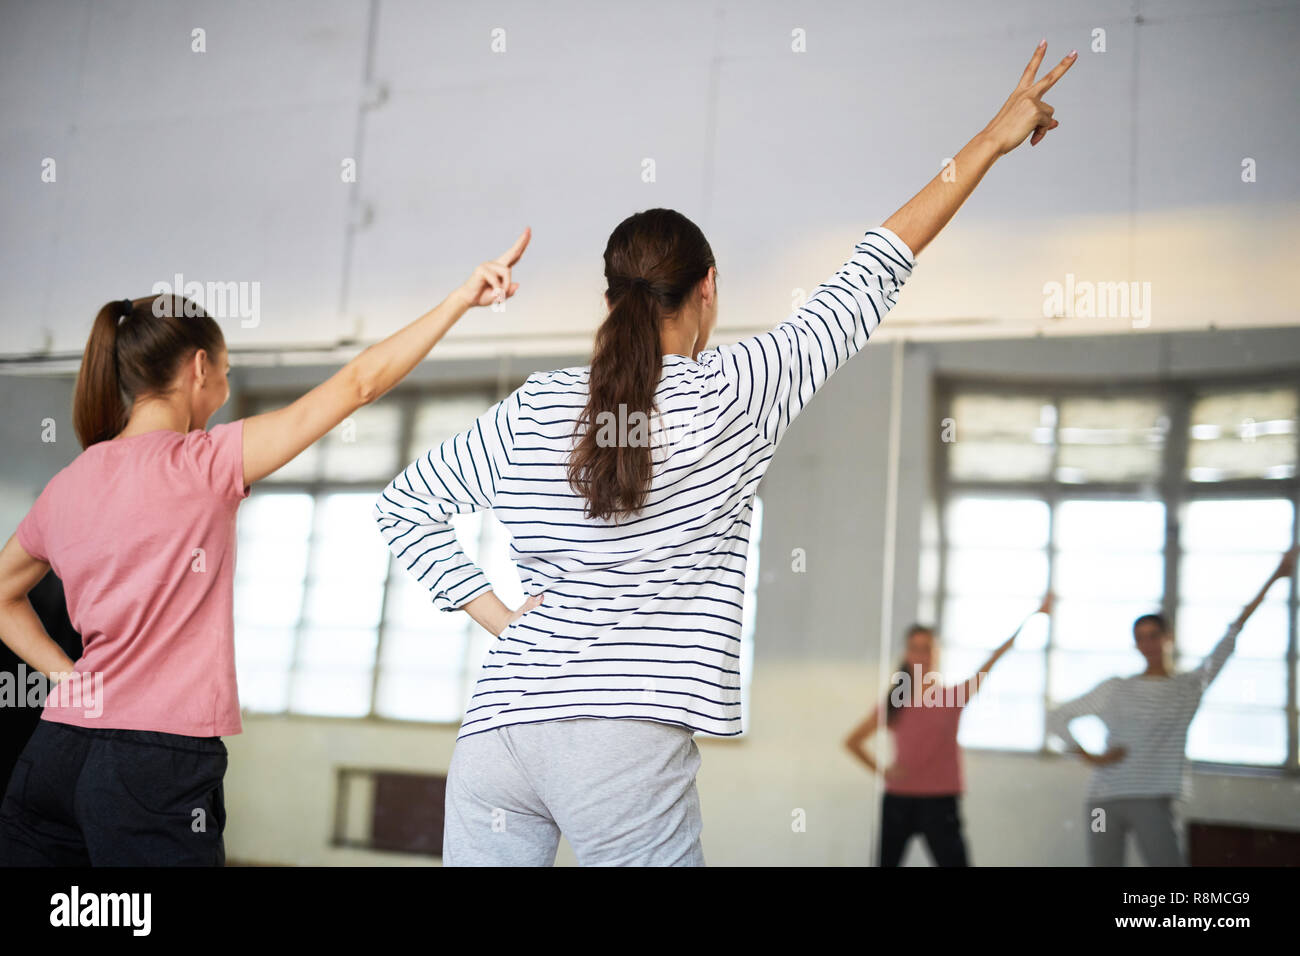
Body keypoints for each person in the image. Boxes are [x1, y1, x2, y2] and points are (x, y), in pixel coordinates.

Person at [374, 42, 1079, 866]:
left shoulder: (538, 403)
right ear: (708, 286)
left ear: (611, 298)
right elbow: (876, 266)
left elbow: (403, 507)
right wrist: (994, 136)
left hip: (498, 731)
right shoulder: (740, 388)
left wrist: (503, 620)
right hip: (624, 739)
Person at [0, 231, 530, 865]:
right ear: (199, 368)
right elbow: (358, 384)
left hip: (56, 752)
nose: (224, 387)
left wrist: (70, 679)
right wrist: (459, 299)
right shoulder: (206, 462)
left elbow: (3, 596)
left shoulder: (71, 481)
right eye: (224, 373)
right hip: (152, 761)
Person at [1047, 546, 1297, 867]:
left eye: (1153, 635)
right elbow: (1057, 718)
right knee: (1102, 862)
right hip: (1100, 804)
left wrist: (1276, 577)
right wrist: (1088, 755)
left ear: (1168, 637)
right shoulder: (1115, 688)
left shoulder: (1187, 688)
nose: (1147, 644)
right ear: (1135, 644)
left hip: (1152, 800)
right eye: (1140, 638)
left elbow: (1231, 635)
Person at [844, 596, 1052, 866]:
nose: (921, 654)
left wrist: (1033, 617)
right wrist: (883, 771)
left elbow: (994, 659)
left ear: (936, 653)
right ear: (907, 654)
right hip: (899, 801)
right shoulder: (895, 702)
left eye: (927, 648)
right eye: (915, 648)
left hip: (940, 803)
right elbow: (852, 742)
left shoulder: (953, 697)